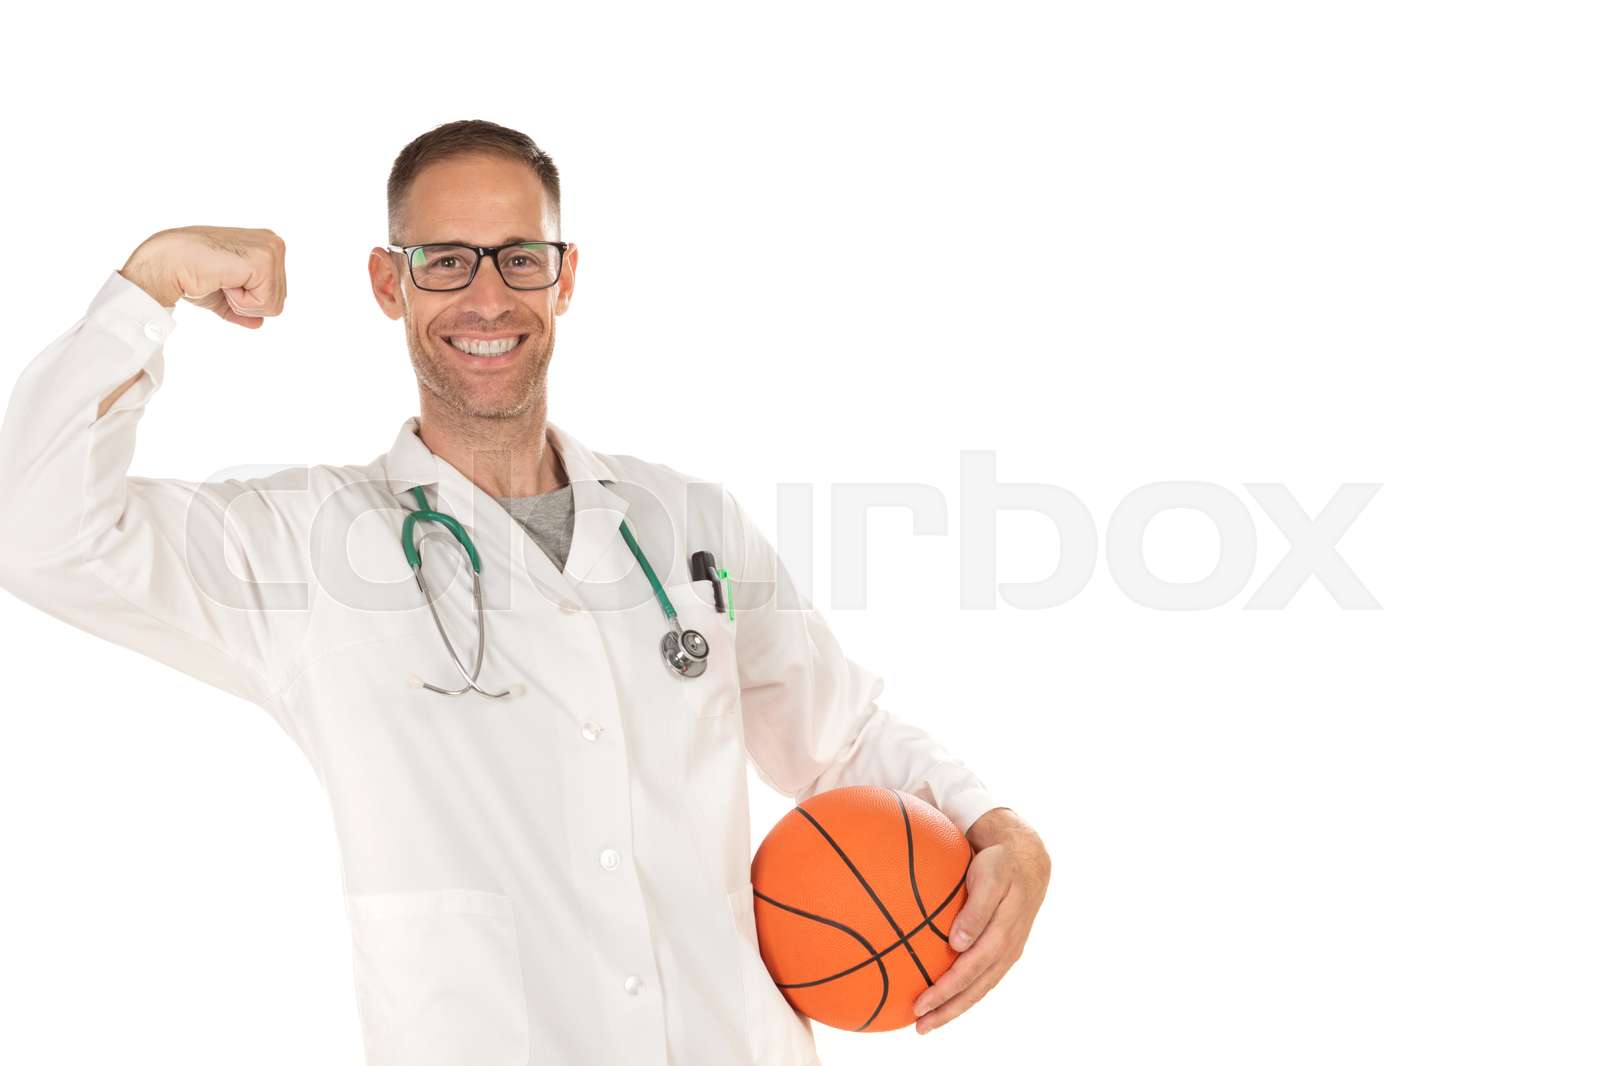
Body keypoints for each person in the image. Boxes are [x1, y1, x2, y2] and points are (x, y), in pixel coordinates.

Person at [0, 118, 1050, 1065]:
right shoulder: (302, 544)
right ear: (387, 282)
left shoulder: (687, 522)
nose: (488, 296)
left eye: (520, 257)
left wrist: (994, 825)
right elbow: (33, 527)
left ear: (566, 276)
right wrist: (146, 288)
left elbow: (841, 739)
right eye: (445, 261)